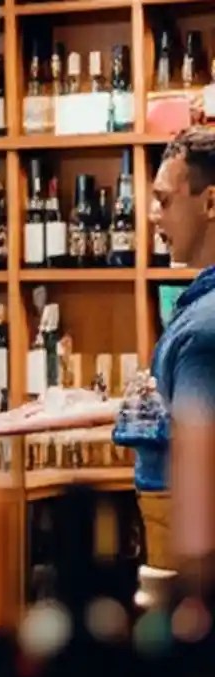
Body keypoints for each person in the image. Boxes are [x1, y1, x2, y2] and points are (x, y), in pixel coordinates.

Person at [129, 126, 215, 572]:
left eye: (164, 201)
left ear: (210, 202)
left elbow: (198, 470)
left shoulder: (205, 328)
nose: (153, 216)